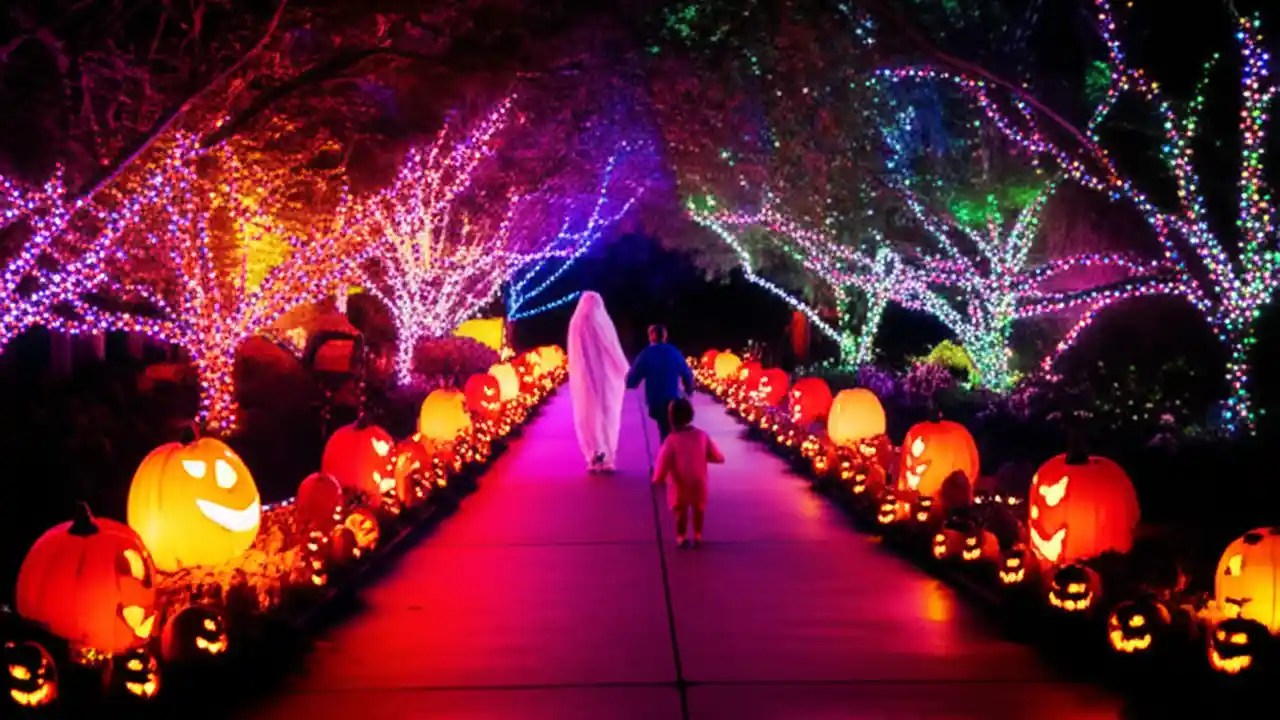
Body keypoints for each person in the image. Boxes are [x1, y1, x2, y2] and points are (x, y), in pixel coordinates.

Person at [567, 292, 629, 473]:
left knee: (588, 414)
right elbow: (612, 347)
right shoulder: (600, 322)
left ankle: (594, 454)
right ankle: (606, 455)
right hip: (604, 378)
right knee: (606, 414)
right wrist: (625, 370)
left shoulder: (576, 323)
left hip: (584, 379)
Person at [652, 398, 724, 548]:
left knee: (680, 510)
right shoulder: (701, 436)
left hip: (679, 482)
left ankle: (681, 536)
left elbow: (664, 460)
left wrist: (658, 477)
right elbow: (716, 455)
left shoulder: (671, 440)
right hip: (699, 481)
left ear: (671, 418)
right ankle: (698, 535)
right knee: (699, 509)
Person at [625, 324, 694, 442]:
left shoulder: (646, 354)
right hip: (673, 399)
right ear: (665, 336)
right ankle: (673, 449)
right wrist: (688, 390)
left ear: (652, 336)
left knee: (664, 430)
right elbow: (687, 374)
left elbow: (632, 379)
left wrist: (629, 382)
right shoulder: (674, 352)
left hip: (656, 401)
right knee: (670, 428)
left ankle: (668, 451)